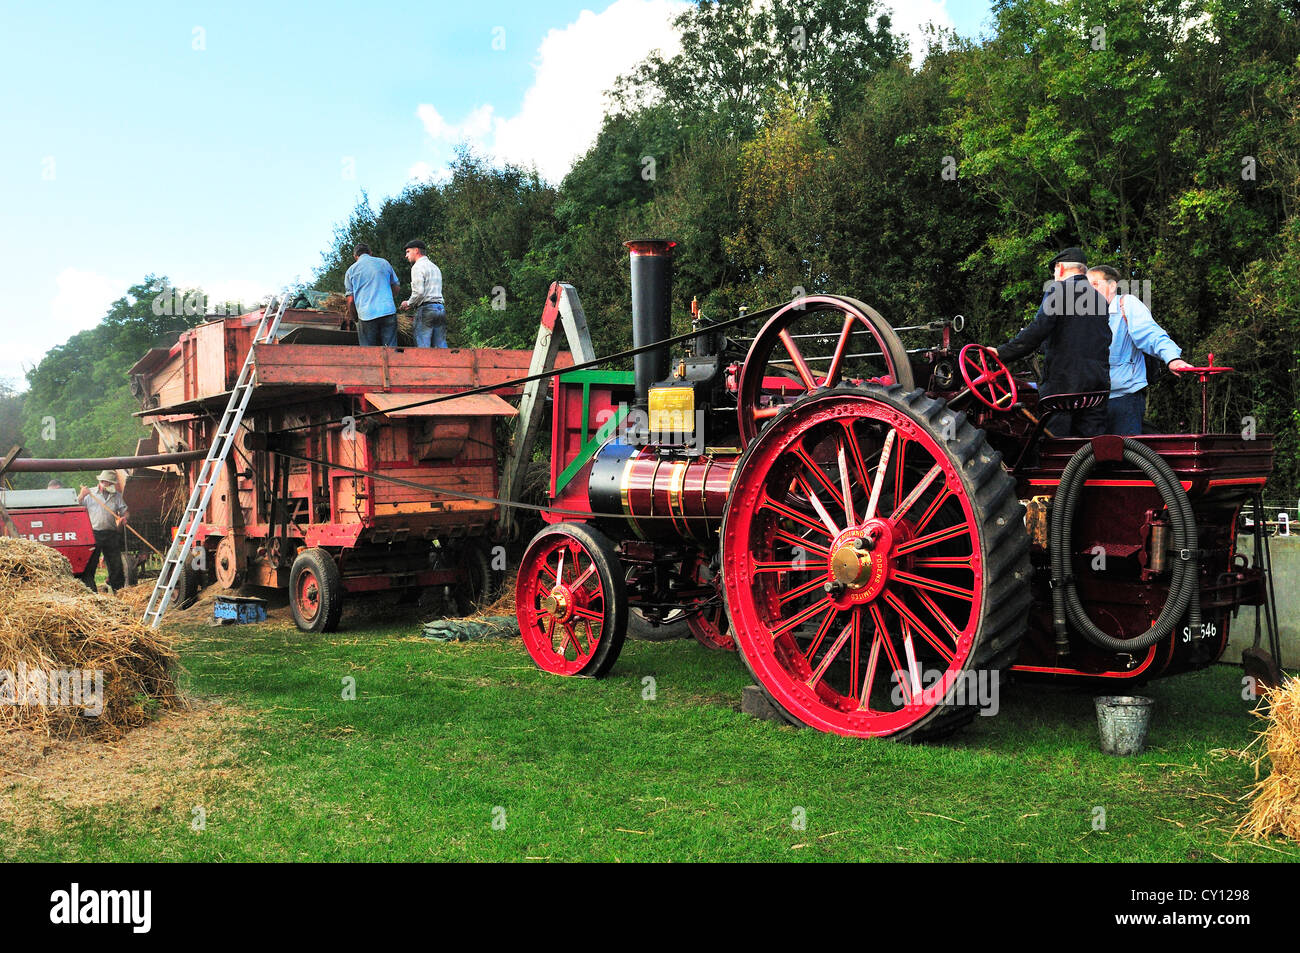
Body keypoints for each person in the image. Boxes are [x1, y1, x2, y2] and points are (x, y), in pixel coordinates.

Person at [996, 247, 1112, 437]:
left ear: (1060, 268)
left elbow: (1038, 329)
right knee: (1091, 444)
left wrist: (1002, 352)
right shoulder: (1100, 299)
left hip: (1063, 386)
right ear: (1083, 270)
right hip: (1096, 385)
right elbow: (1090, 338)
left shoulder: (1058, 290)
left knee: (1054, 444)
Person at [1086, 265, 1194, 435]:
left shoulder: (1127, 304)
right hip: (1092, 402)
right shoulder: (1084, 315)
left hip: (1125, 398)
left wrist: (1173, 358)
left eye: (1095, 284)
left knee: (1126, 455)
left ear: (1112, 286)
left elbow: (1151, 334)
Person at [77, 470, 128, 592]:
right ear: (103, 482)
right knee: (91, 565)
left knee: (116, 566)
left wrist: (124, 518)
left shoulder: (116, 496)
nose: (112, 485)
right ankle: (91, 592)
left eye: (112, 483)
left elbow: (125, 511)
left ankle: (118, 591)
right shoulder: (89, 494)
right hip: (93, 533)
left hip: (111, 533)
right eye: (110, 483)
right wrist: (81, 495)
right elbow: (76, 505)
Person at [344, 243, 401, 347]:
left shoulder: (351, 271)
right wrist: (388, 299)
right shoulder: (384, 263)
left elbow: (351, 300)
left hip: (366, 315)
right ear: (370, 253)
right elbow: (396, 287)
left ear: (355, 256)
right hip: (388, 311)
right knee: (391, 350)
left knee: (368, 351)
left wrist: (354, 317)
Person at [399, 240, 447, 348]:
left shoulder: (417, 267)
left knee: (423, 347)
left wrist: (409, 303)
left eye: (408, 252)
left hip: (426, 310)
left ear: (416, 250)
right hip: (440, 308)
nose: (406, 256)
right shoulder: (435, 267)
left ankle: (424, 365)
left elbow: (419, 292)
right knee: (441, 346)